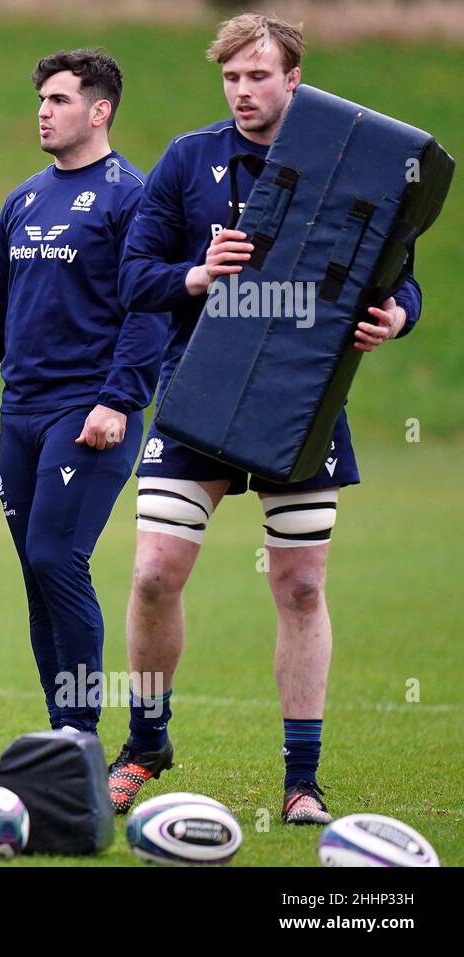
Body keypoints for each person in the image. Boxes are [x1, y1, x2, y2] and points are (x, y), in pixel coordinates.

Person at [114, 14, 423, 823]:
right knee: (152, 573)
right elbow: (134, 276)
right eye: (232, 79)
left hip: (303, 398)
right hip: (201, 393)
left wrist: (398, 318)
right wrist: (194, 274)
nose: (244, 92)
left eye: (259, 76)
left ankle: (303, 778)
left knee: (301, 585)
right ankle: (145, 744)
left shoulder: (354, 158)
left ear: (295, 80)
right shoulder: (188, 159)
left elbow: (401, 274)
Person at [0, 50, 164, 737]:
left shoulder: (133, 196)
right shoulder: (24, 199)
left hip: (88, 407)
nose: (43, 109)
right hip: (21, 412)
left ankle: (82, 731)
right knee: (38, 573)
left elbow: (149, 310)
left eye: (60, 99)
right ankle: (63, 729)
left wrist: (120, 399)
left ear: (100, 111)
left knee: (56, 556)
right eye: (41, 98)